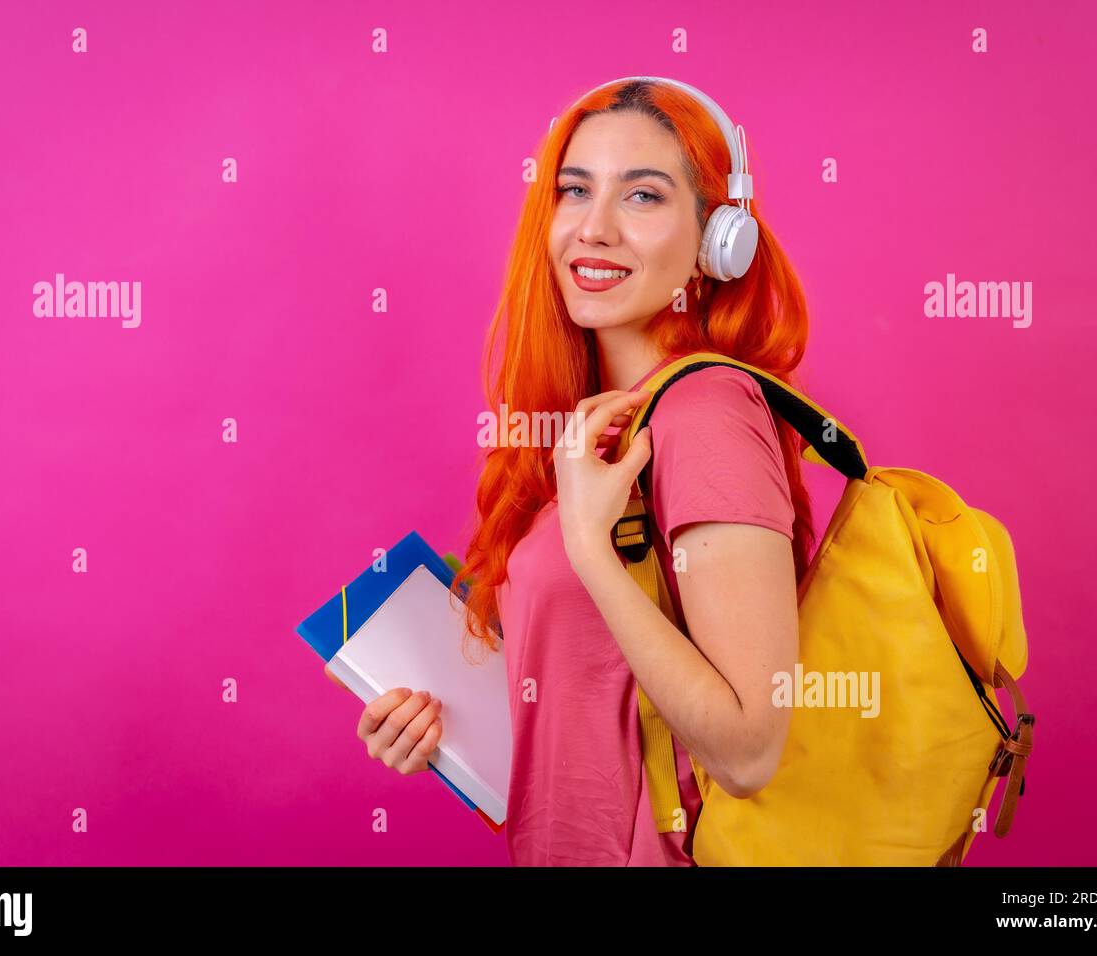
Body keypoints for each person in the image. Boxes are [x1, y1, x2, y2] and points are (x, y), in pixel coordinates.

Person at [327, 77, 818, 866]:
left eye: (644, 196)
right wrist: (442, 721)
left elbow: (749, 750)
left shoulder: (709, 417)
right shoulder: (597, 421)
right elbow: (593, 694)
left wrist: (593, 552)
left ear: (717, 239)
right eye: (574, 190)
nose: (594, 229)